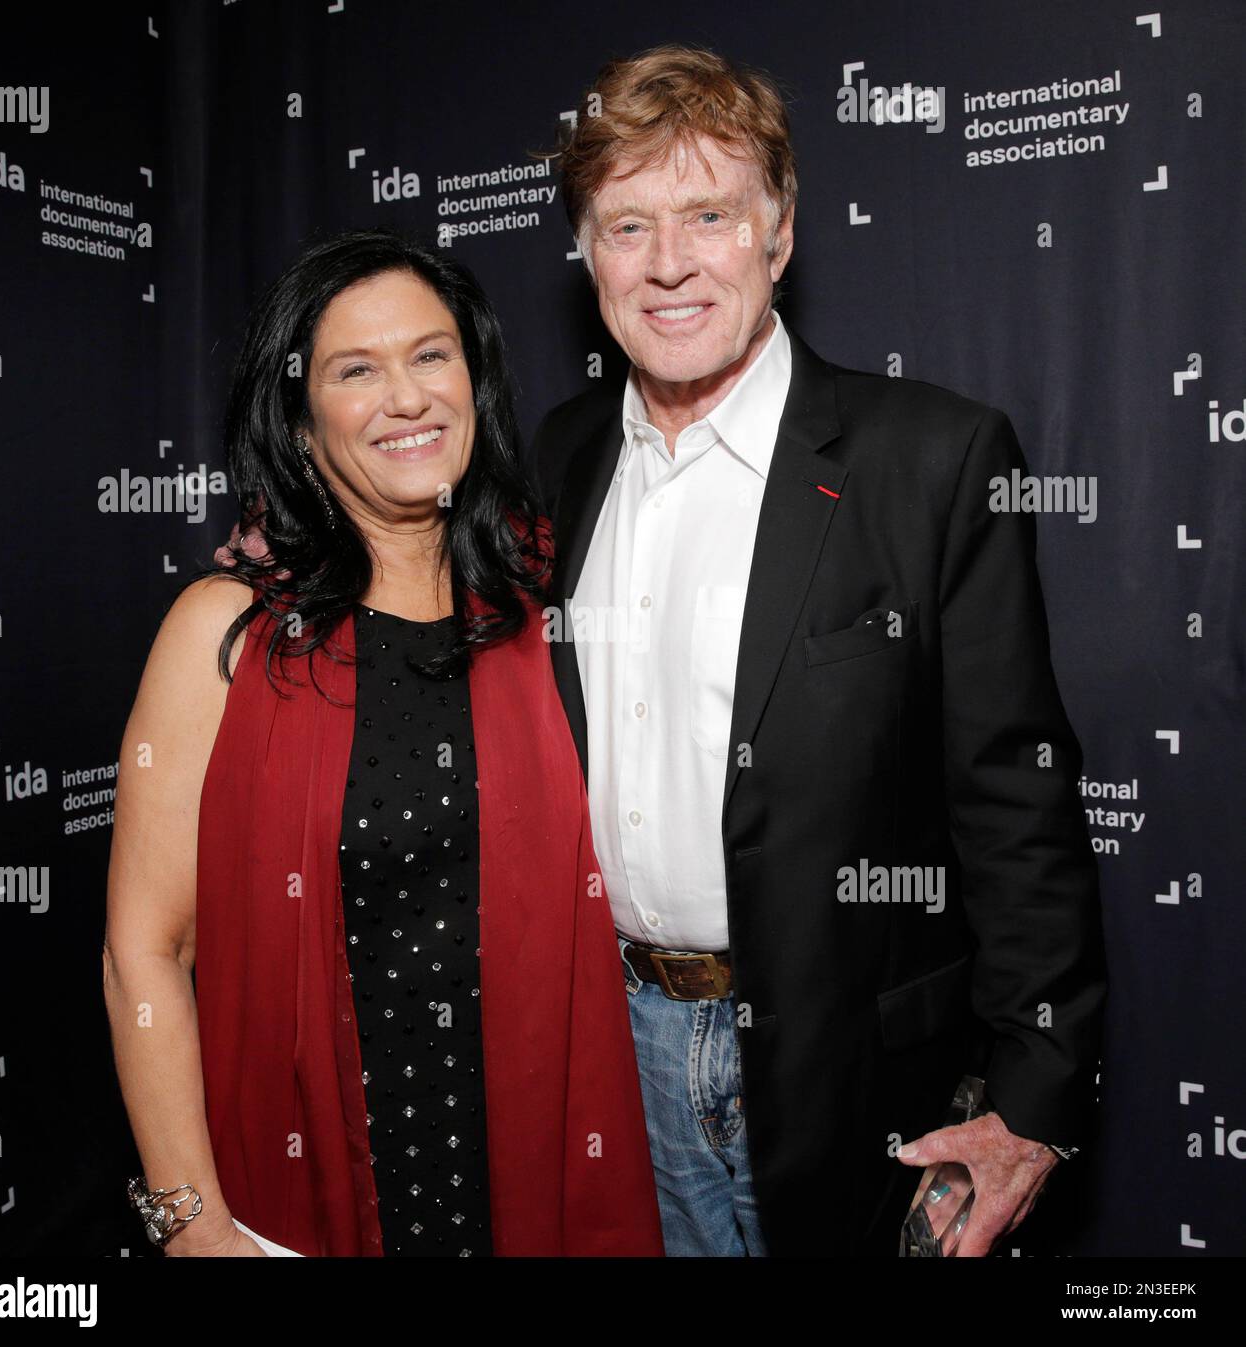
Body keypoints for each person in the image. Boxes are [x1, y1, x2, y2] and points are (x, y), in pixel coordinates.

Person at [524, 44, 1107, 1257]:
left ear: (778, 235)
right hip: (602, 1054)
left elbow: (1016, 792)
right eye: (627, 225)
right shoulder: (559, 457)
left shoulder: (931, 459)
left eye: (708, 216)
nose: (670, 262)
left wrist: (1035, 1098)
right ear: (587, 255)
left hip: (856, 1077)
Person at [103, 228, 663, 1258]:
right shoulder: (225, 634)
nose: (406, 398)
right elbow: (145, 951)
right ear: (303, 419)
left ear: (475, 379)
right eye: (356, 371)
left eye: (430, 355)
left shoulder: (548, 597)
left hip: (540, 1174)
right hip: (305, 1196)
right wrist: (190, 1227)